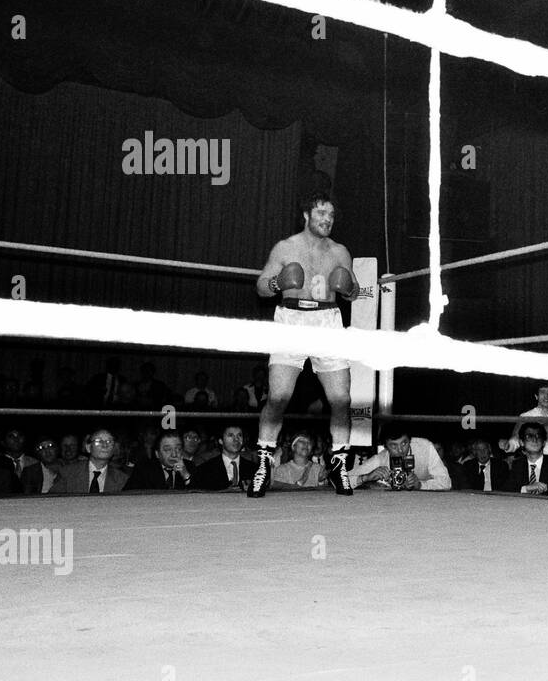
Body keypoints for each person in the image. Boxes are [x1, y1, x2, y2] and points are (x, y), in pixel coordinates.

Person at [251, 190, 358, 497]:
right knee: (279, 396)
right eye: (321, 214)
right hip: (291, 321)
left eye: (331, 215)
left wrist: (347, 285)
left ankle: (339, 466)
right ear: (307, 216)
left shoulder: (340, 251)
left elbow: (353, 292)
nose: (327, 220)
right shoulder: (286, 247)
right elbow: (261, 286)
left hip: (328, 320)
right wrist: (277, 283)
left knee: (341, 399)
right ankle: (263, 463)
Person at [348, 428, 451, 491]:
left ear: (410, 440)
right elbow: (341, 480)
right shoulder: (380, 459)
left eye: (404, 443)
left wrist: (420, 485)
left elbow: (446, 483)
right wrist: (365, 478)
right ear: (385, 447)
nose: (400, 450)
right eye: (394, 446)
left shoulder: (425, 447)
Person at [501, 422, 548, 497]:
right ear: (521, 442)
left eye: (538, 436)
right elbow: (505, 491)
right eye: (529, 436)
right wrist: (526, 489)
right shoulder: (517, 465)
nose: (534, 440)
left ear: (544, 442)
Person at [56, 429, 129, 494]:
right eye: (98, 441)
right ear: (88, 448)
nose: (104, 445)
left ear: (113, 449)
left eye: (109, 441)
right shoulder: (68, 473)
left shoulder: (121, 479)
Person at [500, 386, 548, 458]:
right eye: (542, 392)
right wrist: (507, 445)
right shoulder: (526, 416)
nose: (546, 396)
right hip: (533, 462)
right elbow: (515, 439)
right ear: (536, 396)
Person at [191, 425, 255, 492]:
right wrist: (222, 492)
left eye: (239, 435)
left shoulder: (254, 469)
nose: (236, 439)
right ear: (220, 441)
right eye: (230, 435)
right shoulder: (205, 469)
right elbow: (197, 492)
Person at [126, 430, 193, 490]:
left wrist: (186, 476)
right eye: (168, 450)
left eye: (178, 449)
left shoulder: (189, 467)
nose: (174, 454)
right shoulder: (143, 469)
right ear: (157, 454)